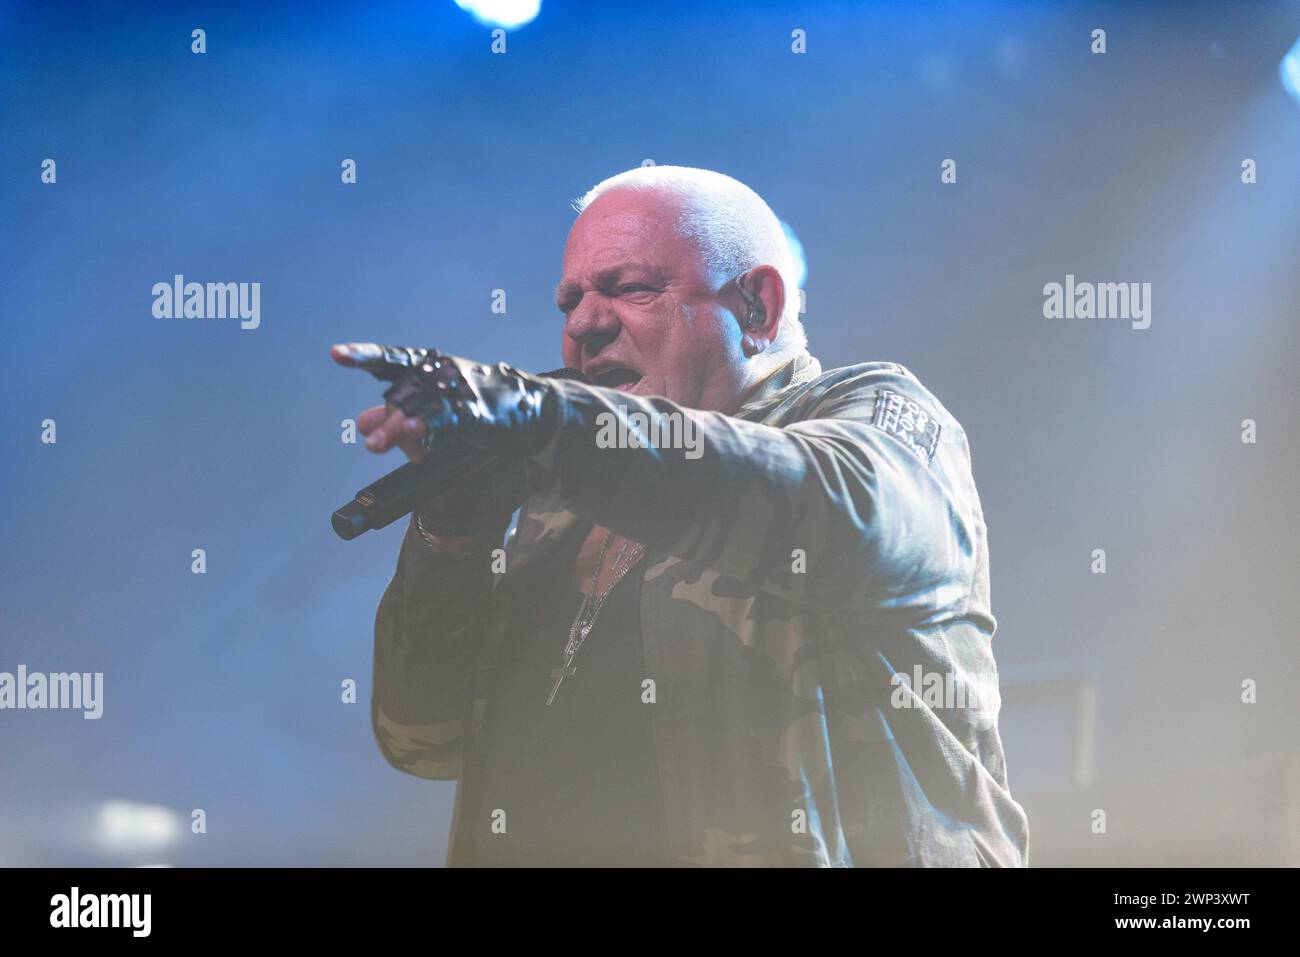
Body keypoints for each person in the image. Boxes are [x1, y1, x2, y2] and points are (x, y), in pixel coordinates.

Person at [332, 165, 1030, 867]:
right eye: (569, 301)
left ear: (757, 306)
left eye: (630, 287)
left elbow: (839, 517)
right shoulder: (552, 507)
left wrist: (546, 417)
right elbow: (421, 739)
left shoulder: (874, 417)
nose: (583, 324)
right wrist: (452, 534)